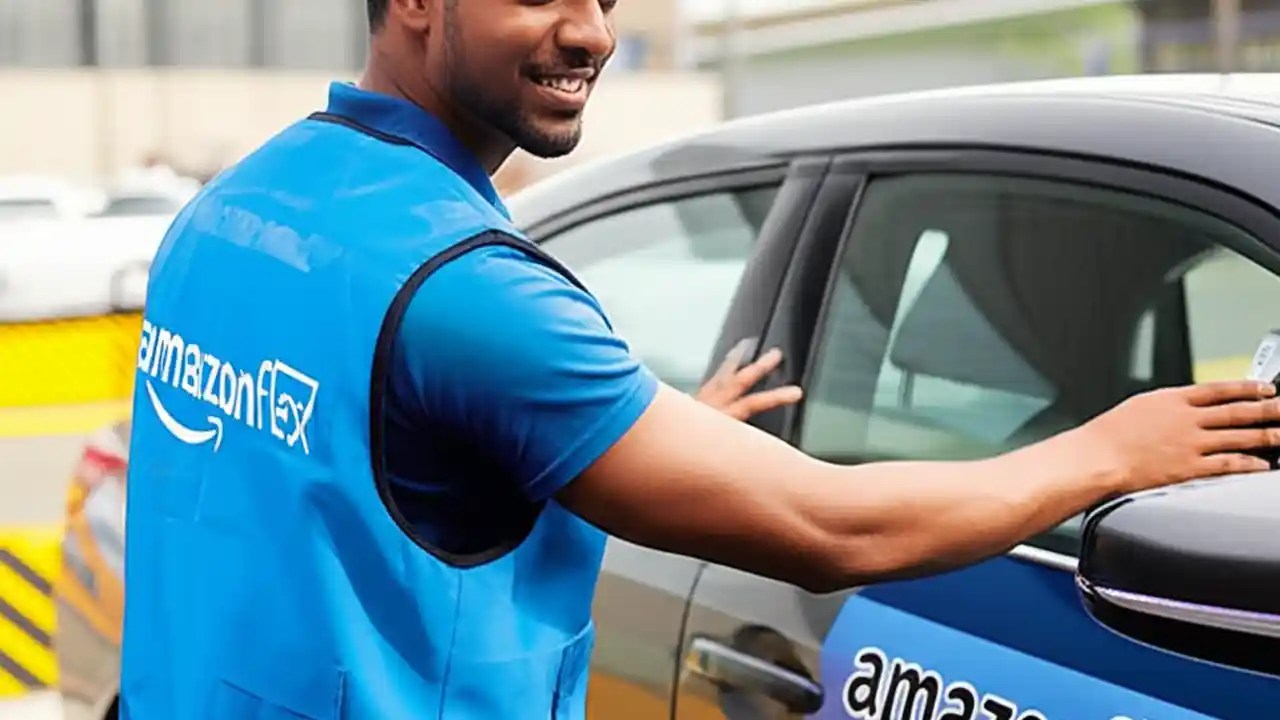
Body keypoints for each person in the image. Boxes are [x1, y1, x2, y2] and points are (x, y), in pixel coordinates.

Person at [119, 1, 1280, 718]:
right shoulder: (472, 296)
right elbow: (837, 533)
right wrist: (1101, 451)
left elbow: (333, 473)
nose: (593, 31)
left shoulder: (232, 211)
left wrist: (638, 429)